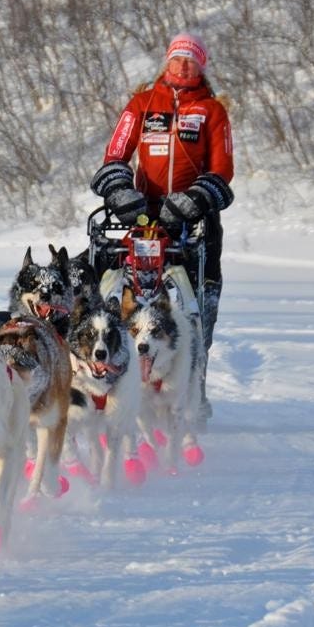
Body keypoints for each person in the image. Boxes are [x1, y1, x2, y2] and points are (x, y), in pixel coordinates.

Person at [89, 33, 234, 412]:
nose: (183, 65)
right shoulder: (141, 102)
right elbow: (114, 156)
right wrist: (120, 190)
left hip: (193, 220)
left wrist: (192, 201)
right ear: (166, 62)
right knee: (104, 287)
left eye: (191, 60)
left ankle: (191, 393)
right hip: (140, 213)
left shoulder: (212, 110)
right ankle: (102, 384)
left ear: (201, 66)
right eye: (177, 59)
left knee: (199, 306)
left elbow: (223, 171)